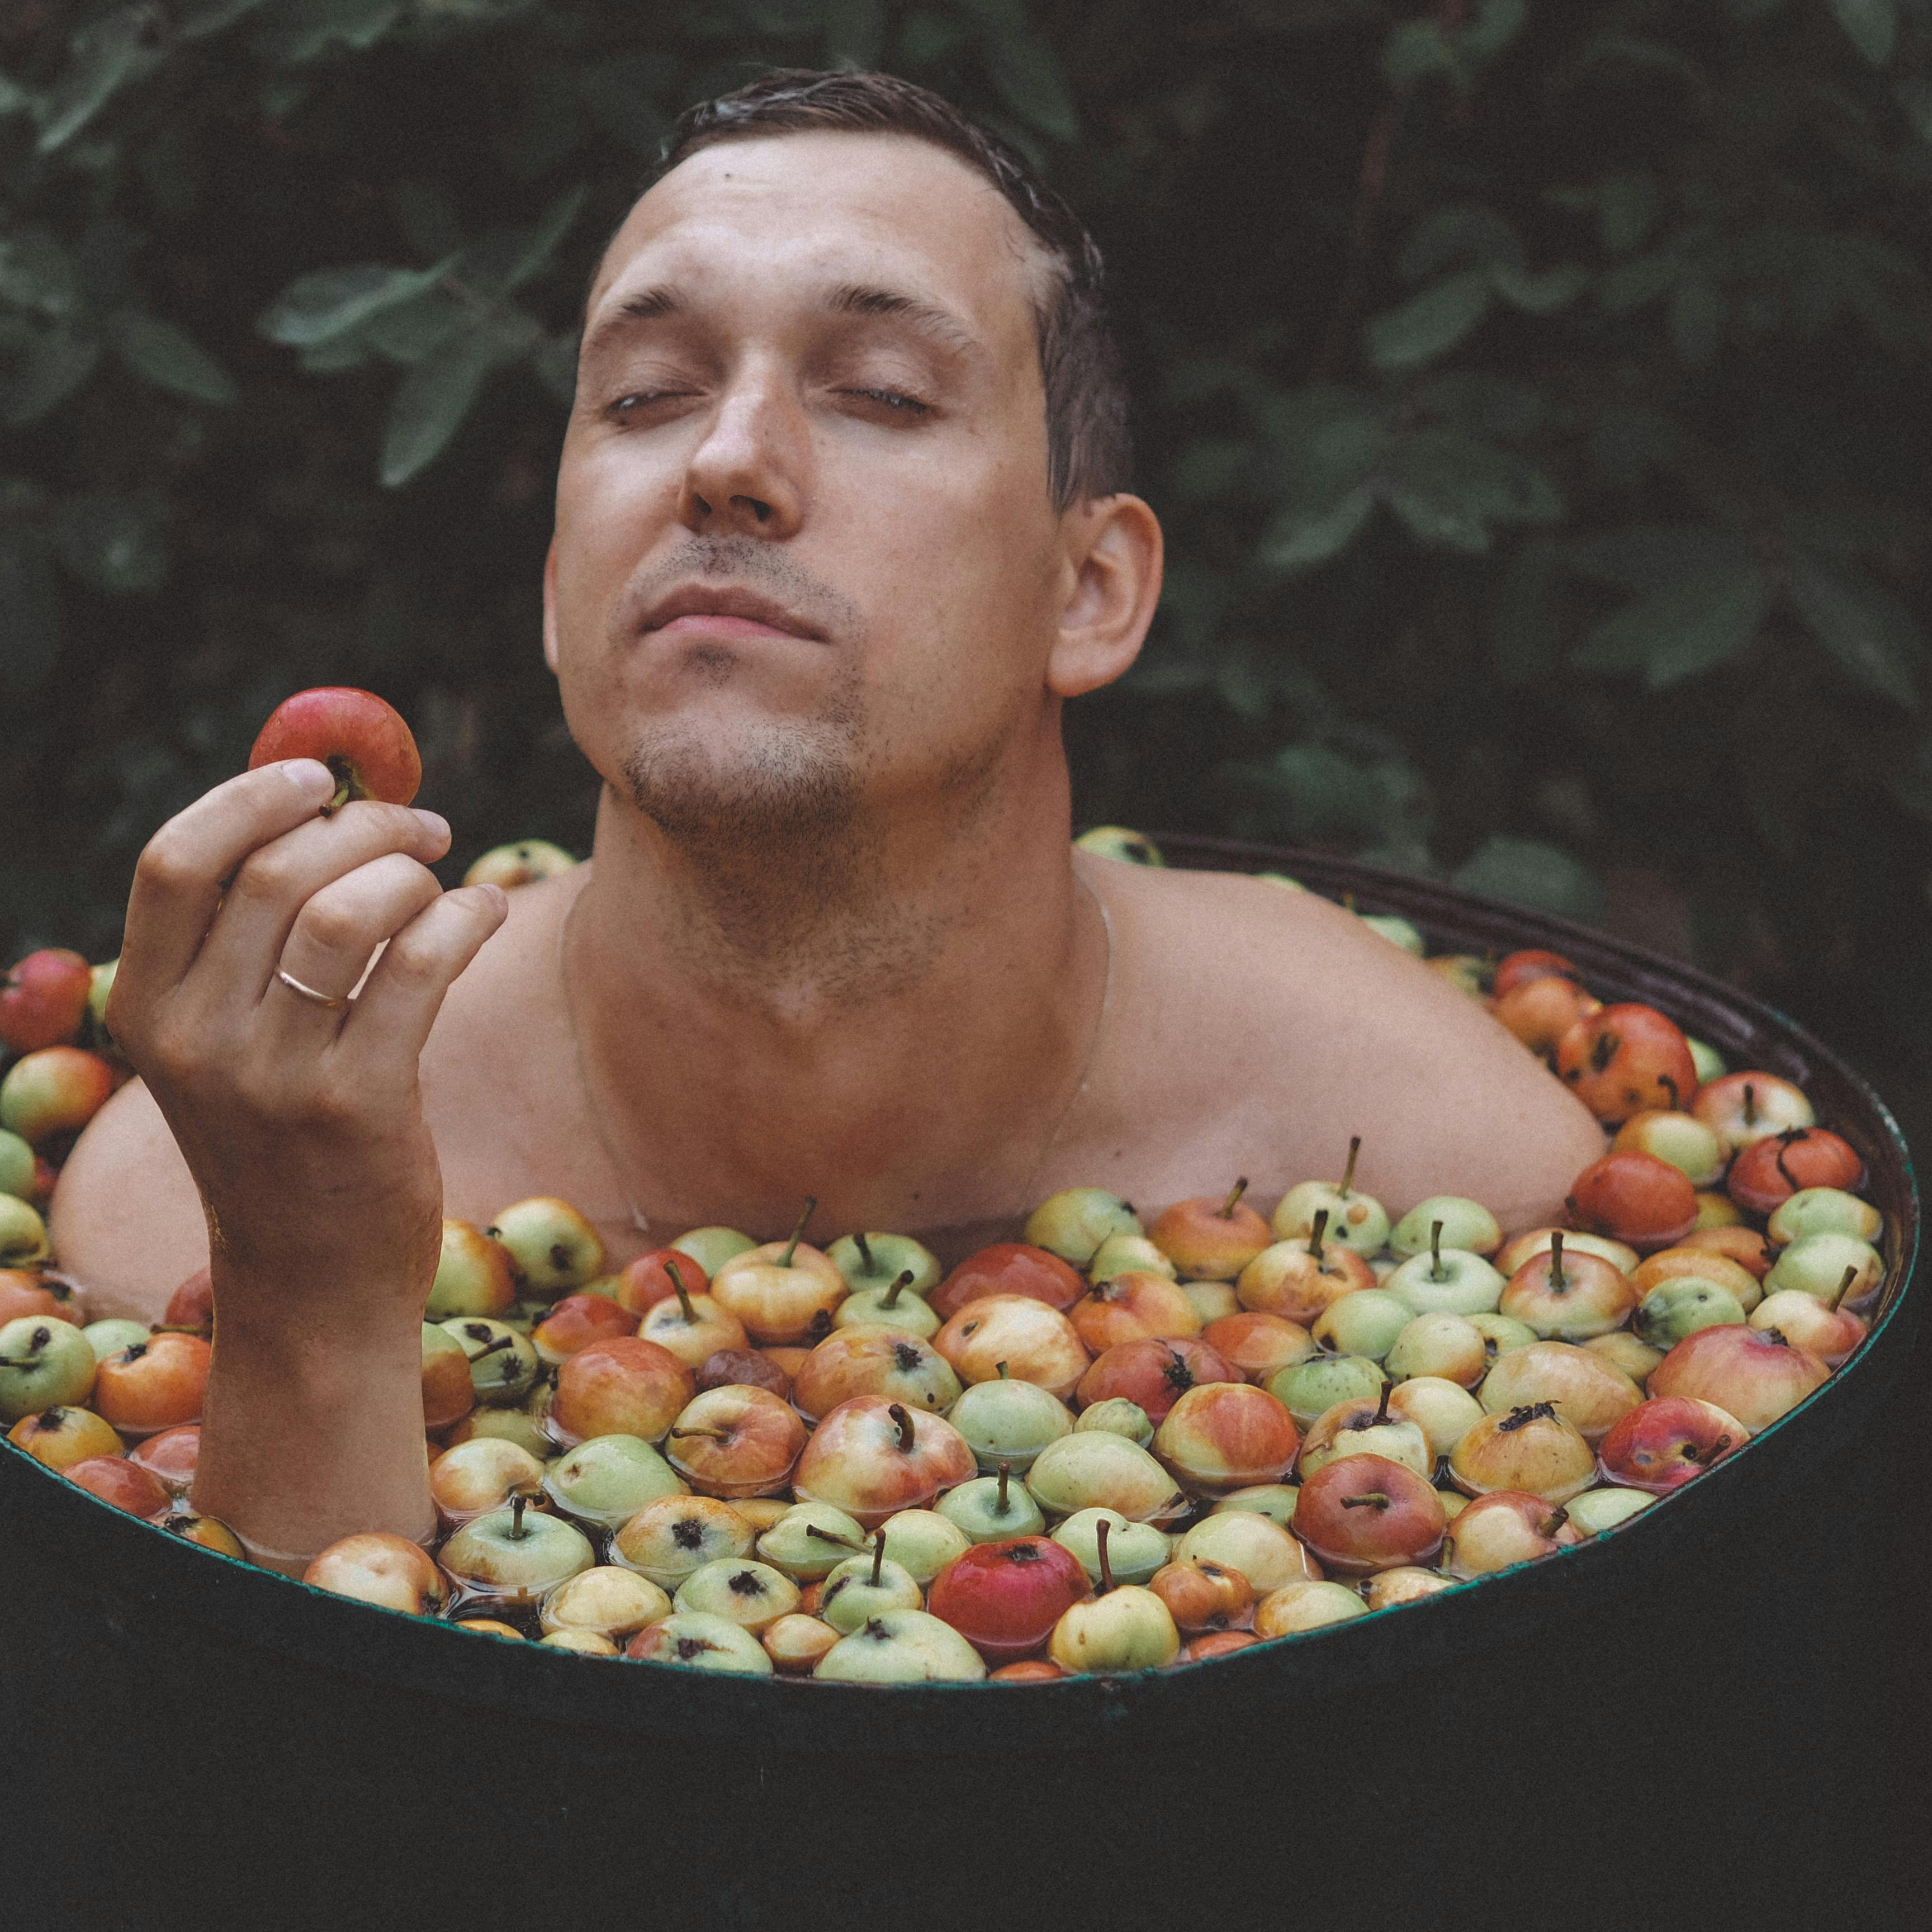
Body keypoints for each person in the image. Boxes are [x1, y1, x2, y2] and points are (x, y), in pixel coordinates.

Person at [48, 70, 1604, 1569]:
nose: (726, 464)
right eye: (647, 397)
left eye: (879, 395)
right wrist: (311, 1308)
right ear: (554, 590)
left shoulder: (1435, 1152)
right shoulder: (203, 1195)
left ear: (1087, 590)